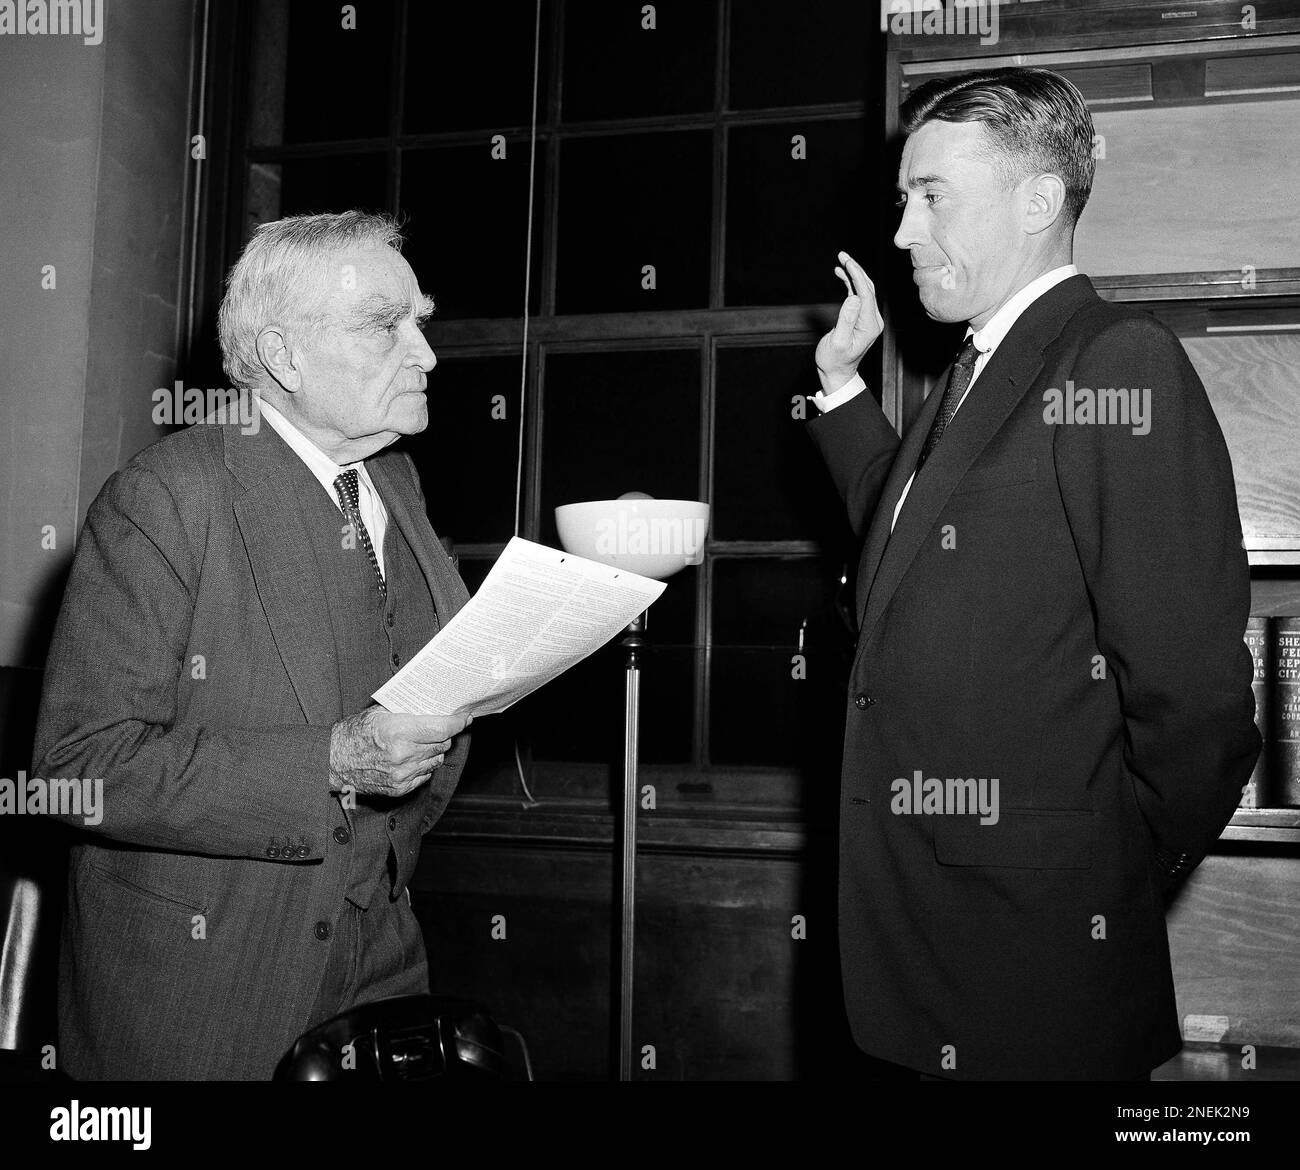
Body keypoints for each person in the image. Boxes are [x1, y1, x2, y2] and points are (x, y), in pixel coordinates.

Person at [808, 68, 1260, 1079]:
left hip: (1031, 971)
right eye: (901, 201)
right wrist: (840, 387)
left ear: (1040, 201)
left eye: (930, 198)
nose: (901, 234)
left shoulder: (1113, 362)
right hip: (920, 958)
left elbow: (1192, 696)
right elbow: (906, 531)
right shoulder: (971, 377)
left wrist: (1100, 860)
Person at [33, 210, 473, 1079]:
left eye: (419, 321)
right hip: (205, 993)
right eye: (386, 325)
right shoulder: (167, 498)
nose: (424, 353)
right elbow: (73, 772)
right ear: (283, 357)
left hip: (383, 965)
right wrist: (334, 764)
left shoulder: (396, 482)